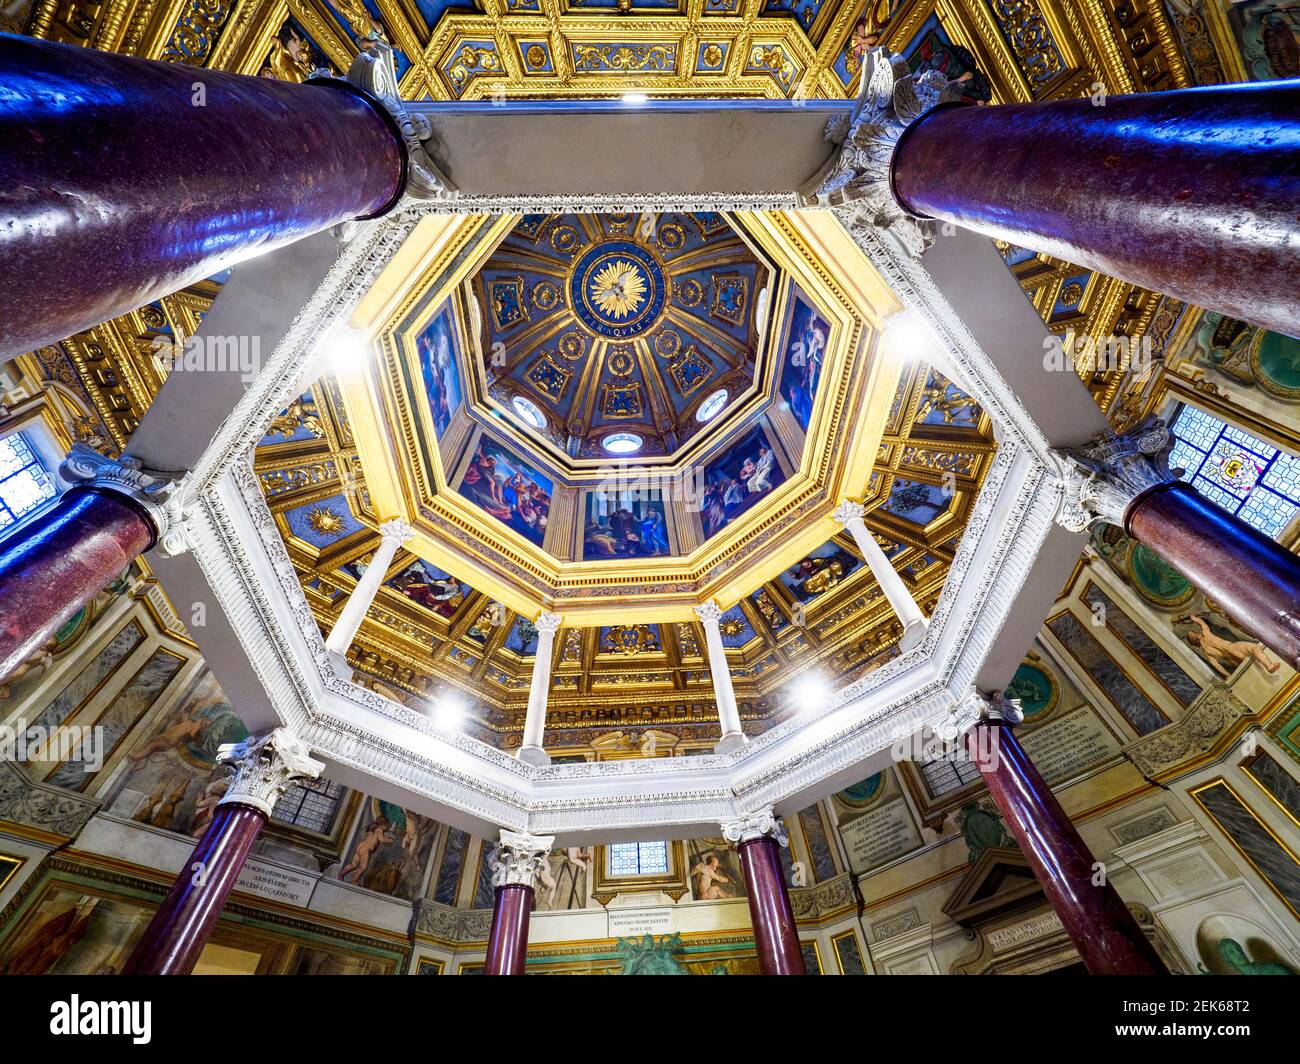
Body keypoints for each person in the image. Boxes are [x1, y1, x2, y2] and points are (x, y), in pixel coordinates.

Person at [1178, 614, 1280, 676]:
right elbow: (1201, 623)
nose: (1196, 633)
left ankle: (1268, 666)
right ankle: (1269, 666)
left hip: (1232, 661)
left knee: (1252, 665)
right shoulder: (1206, 634)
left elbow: (1216, 665)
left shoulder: (1206, 651)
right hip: (1232, 648)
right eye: (1194, 634)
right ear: (1196, 636)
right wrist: (1193, 618)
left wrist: (1227, 675)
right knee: (1254, 647)